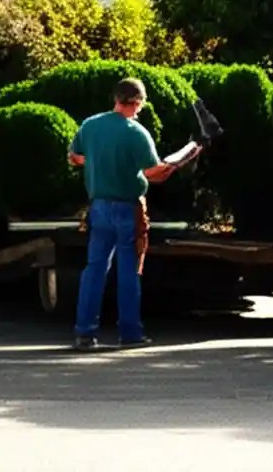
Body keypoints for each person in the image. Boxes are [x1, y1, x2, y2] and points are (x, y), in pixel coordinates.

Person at [68, 78, 200, 350]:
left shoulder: (90, 125)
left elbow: (74, 157)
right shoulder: (136, 133)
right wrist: (186, 157)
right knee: (129, 270)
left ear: (116, 98)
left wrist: (96, 163)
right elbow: (155, 174)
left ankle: (85, 332)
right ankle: (129, 333)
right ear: (138, 102)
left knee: (94, 269)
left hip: (99, 206)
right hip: (129, 207)